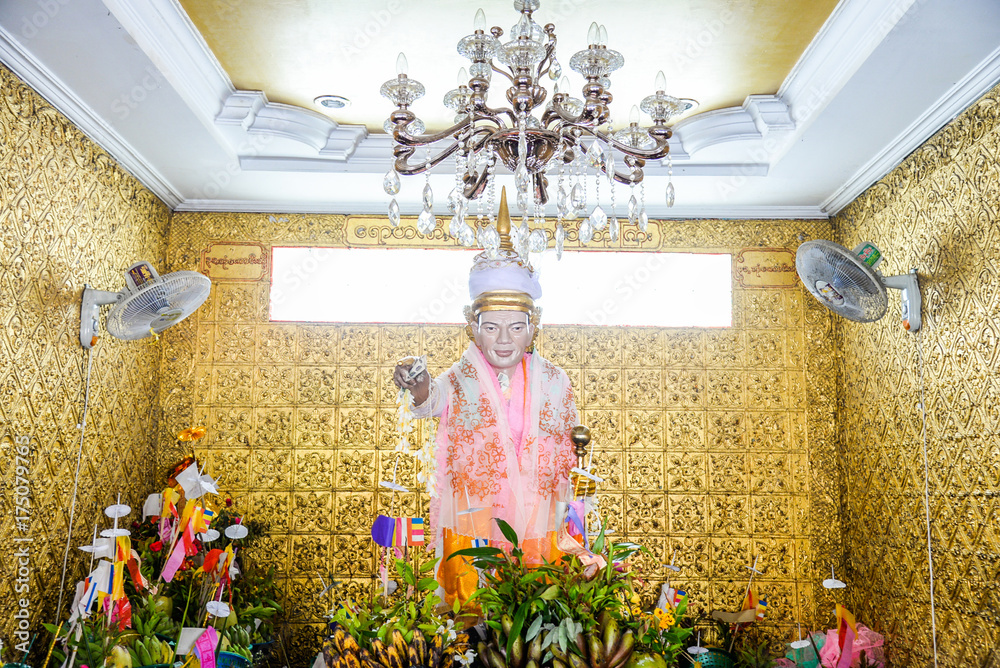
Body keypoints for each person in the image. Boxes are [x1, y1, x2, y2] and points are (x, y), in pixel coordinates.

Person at [393, 189, 579, 607]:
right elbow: (430, 400)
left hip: (538, 522)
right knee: (472, 622)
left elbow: (573, 454)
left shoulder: (555, 381)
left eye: (516, 328)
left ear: (535, 327)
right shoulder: (461, 378)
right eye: (491, 327)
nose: (504, 340)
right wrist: (415, 380)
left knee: (534, 619)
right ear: (471, 327)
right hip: (474, 517)